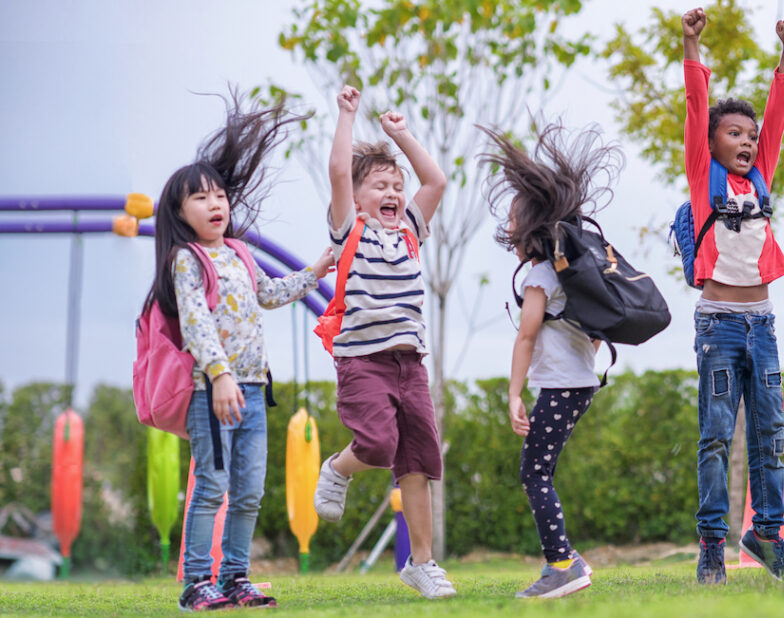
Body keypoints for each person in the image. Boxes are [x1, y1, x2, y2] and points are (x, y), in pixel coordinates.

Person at [142, 90, 334, 611]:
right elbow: (197, 323)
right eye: (201, 198)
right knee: (212, 485)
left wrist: (315, 271)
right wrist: (221, 376)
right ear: (180, 212)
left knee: (249, 491)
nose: (216, 204)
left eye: (220, 196)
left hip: (253, 391)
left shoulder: (241, 254)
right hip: (214, 391)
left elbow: (268, 295)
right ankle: (195, 583)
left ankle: (234, 579)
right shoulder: (188, 260)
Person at [311, 85, 455, 599]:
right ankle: (337, 468)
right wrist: (347, 116)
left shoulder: (411, 231)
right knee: (376, 445)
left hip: (410, 363)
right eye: (379, 185)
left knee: (418, 459)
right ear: (357, 196)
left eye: (397, 185)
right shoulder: (350, 230)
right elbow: (336, 172)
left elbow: (435, 180)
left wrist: (401, 135)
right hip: (363, 361)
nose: (393, 193)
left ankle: (422, 564)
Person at [680, 7, 784, 583]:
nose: (748, 141)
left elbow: (777, 116)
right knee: (714, 435)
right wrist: (691, 49)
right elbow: (695, 108)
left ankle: (768, 536)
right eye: (735, 133)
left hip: (764, 323)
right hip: (719, 324)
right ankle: (711, 545)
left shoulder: (762, 179)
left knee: (771, 436)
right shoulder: (703, 178)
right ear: (711, 143)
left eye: (751, 136)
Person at [480, 120, 623, 598]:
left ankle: (561, 563)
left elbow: (526, 337)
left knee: (534, 472)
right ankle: (568, 557)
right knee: (539, 468)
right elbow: (598, 327)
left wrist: (514, 392)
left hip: (561, 384)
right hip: (579, 381)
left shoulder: (540, 275)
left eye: (513, 218)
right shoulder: (572, 271)